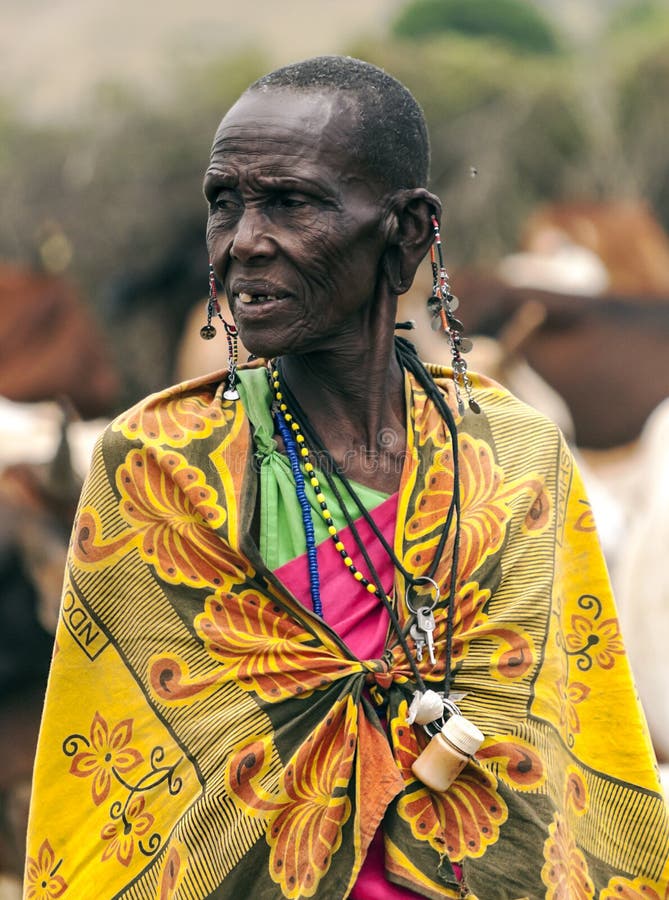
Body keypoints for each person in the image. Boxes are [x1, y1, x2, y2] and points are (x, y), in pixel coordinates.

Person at [24, 56, 669, 900]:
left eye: (291, 202)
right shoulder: (161, 465)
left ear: (407, 233)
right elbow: (124, 798)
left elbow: (564, 769)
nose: (243, 240)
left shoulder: (511, 458)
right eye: (224, 202)